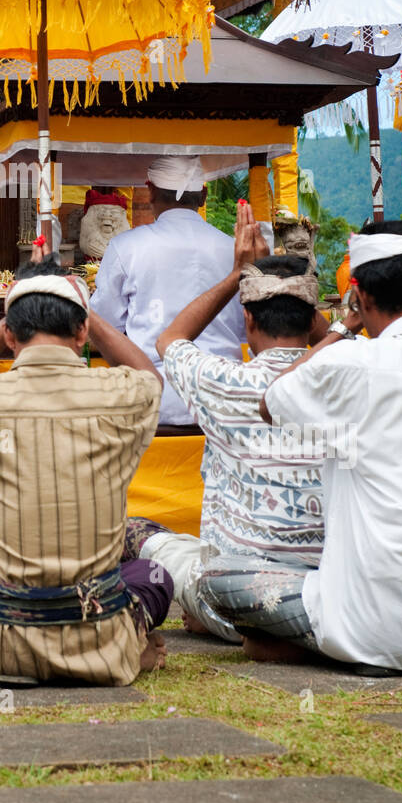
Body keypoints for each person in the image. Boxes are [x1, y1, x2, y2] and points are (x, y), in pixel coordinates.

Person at [0, 257, 174, 686]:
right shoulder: (119, 396)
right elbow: (150, 378)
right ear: (82, 331)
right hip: (101, 634)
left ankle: (20, 653)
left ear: (9, 336)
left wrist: (17, 308)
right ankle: (130, 640)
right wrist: (82, 309)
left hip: (3, 645)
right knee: (153, 575)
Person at [201, 220, 402, 673]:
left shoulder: (351, 362)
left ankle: (308, 643)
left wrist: (341, 331)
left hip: (368, 628)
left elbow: (272, 402)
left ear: (361, 298)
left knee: (215, 577)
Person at [136, 201, 327, 643]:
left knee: (136, 532)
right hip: (326, 594)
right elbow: (340, 338)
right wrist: (291, 290)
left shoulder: (224, 381)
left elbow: (171, 339)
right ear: (312, 316)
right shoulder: (345, 375)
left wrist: (238, 275)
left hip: (232, 600)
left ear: (246, 320)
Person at [92, 155, 246, 430]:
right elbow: (246, 329)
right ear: (204, 195)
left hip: (157, 401)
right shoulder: (235, 250)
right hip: (227, 400)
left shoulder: (126, 246)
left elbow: (101, 326)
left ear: (149, 190)